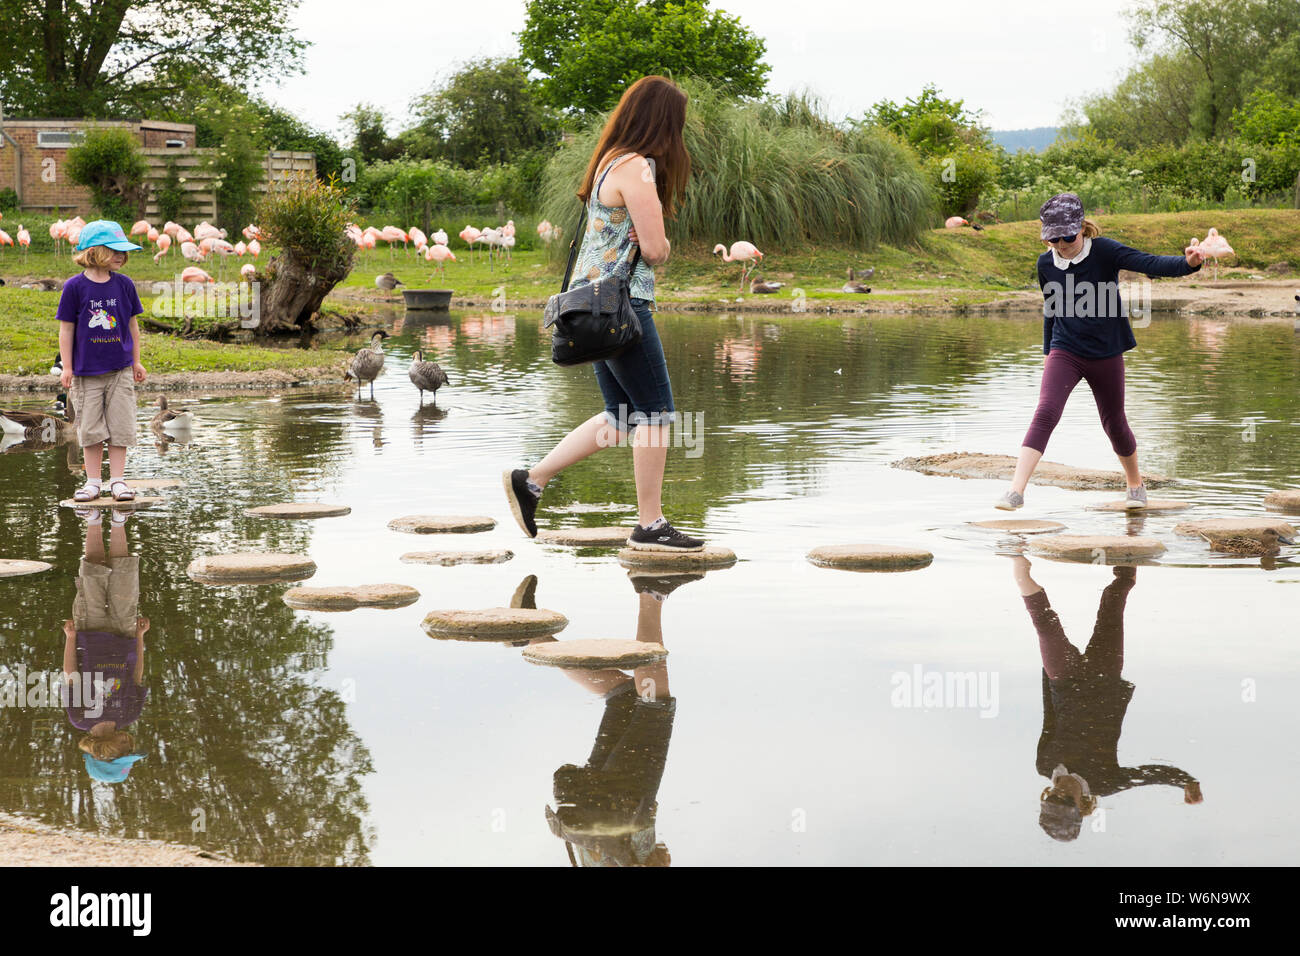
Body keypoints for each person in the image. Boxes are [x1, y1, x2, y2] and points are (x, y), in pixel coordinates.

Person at [503, 75, 703, 552]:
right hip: (622, 305)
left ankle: (530, 481)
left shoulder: (608, 162)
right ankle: (650, 526)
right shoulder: (638, 168)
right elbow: (654, 250)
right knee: (656, 414)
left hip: (593, 303)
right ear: (663, 122)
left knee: (622, 418)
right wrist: (665, 243)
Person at [996, 193, 1203, 511]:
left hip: (1106, 352)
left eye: (1068, 236)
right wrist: (1047, 352)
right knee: (1046, 411)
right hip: (1065, 349)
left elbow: (1148, 263)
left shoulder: (1104, 251)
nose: (1062, 244)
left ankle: (1135, 484)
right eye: (1054, 238)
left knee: (1115, 423)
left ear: (1081, 228)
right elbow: (1051, 309)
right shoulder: (1046, 264)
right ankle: (1015, 491)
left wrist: (1189, 263)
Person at [1009, 556, 1201, 841]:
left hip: (1064, 681)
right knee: (1114, 598)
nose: (1060, 795)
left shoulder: (1045, 764)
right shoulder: (1105, 781)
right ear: (1082, 805)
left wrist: (1049, 674)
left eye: (1053, 799)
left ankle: (1016, 556)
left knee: (1045, 625)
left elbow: (1049, 716)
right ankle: (1131, 538)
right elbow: (1147, 775)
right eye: (1066, 802)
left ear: (1046, 796)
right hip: (1104, 678)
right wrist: (1185, 781)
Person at [57, 220, 147, 503]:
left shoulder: (125, 285)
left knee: (120, 426)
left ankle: (118, 481)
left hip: (120, 370)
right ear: (94, 252)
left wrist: (136, 362)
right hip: (85, 373)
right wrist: (68, 367)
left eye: (124, 251)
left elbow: (132, 326)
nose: (121, 256)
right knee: (91, 427)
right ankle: (93, 482)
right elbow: (66, 329)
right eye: (115, 250)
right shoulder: (75, 287)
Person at [62, 510, 149, 785]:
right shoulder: (130, 715)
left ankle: (94, 520)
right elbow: (136, 676)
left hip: (88, 633)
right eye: (129, 751)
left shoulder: (80, 718)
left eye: (122, 752)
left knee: (93, 571)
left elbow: (71, 677)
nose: (128, 747)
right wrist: (140, 637)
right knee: (125, 575)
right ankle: (120, 521)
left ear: (104, 752)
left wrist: (70, 638)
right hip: (124, 634)